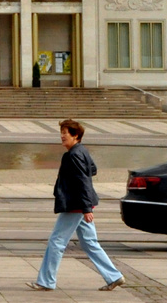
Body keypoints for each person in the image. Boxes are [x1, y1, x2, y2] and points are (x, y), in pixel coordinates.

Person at [30, 119, 123, 292]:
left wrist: (86, 208)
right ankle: (114, 276)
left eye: (66, 133)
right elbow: (92, 170)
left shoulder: (73, 155)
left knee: (56, 241)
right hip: (80, 204)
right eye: (62, 132)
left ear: (76, 136)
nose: (62, 136)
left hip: (75, 205)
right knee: (89, 242)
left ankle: (46, 282)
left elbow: (83, 181)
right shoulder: (81, 151)